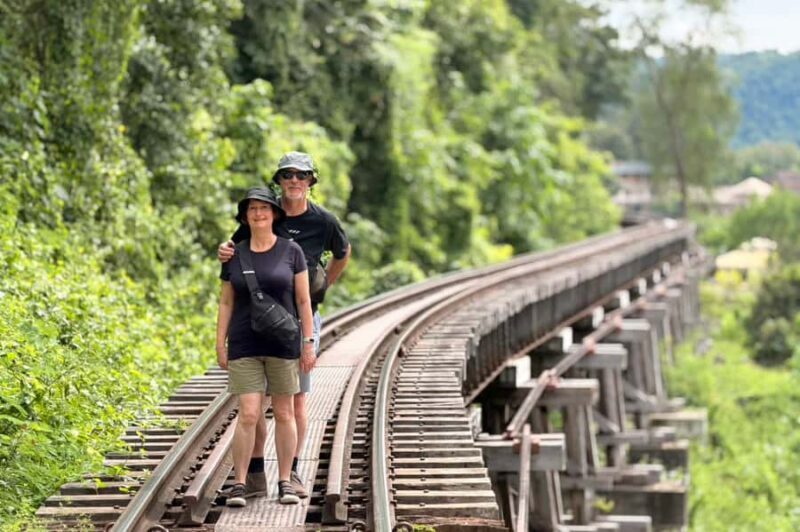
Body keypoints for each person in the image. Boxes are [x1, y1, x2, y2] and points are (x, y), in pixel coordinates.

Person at [218, 151, 350, 498]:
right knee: (253, 403)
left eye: (302, 175)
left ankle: (291, 473)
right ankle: (256, 472)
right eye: (288, 175)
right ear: (279, 181)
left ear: (311, 181)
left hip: (299, 317)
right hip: (256, 320)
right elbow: (235, 246)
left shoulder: (323, 221)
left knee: (294, 402)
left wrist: (323, 286)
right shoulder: (266, 211)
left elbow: (343, 252)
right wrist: (224, 250)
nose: (294, 181)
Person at [216, 187, 316, 507]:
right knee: (248, 413)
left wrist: (308, 343)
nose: (258, 214)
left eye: (264, 208)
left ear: (274, 214)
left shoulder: (292, 251)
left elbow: (304, 301)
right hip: (244, 343)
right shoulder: (234, 254)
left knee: (284, 412)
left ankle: (285, 481)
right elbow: (226, 301)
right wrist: (220, 342)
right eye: (252, 209)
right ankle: (240, 483)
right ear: (245, 216)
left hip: (283, 343)